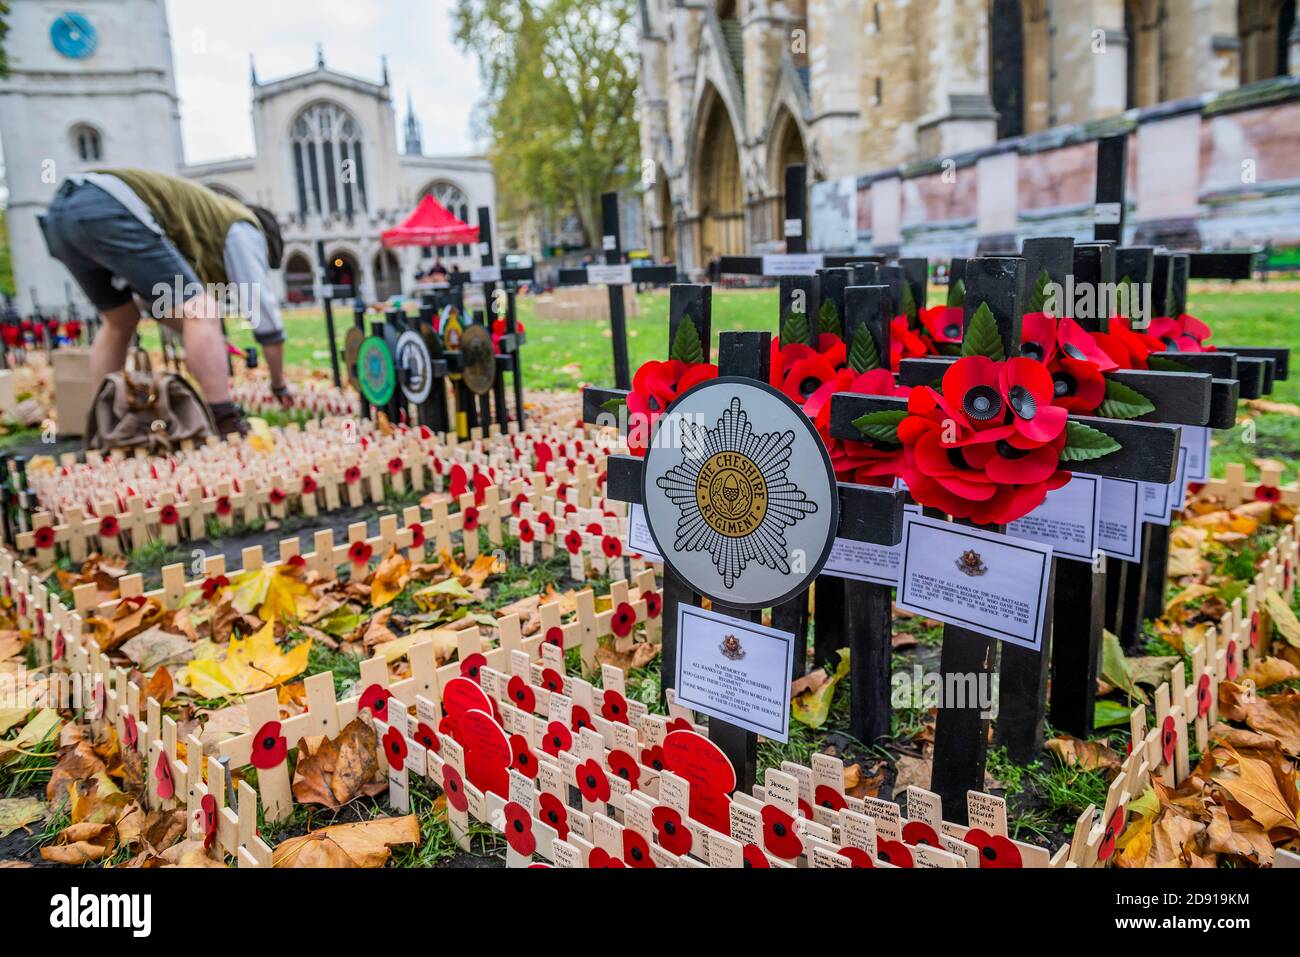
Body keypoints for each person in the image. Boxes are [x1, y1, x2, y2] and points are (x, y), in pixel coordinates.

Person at [39, 168, 291, 436]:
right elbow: (261, 307)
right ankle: (224, 420)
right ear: (266, 242)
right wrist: (278, 384)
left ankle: (105, 425)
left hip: (59, 218)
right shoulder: (243, 225)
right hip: (104, 206)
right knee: (203, 308)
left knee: (119, 320)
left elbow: (157, 305)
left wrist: (207, 337)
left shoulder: (198, 226)